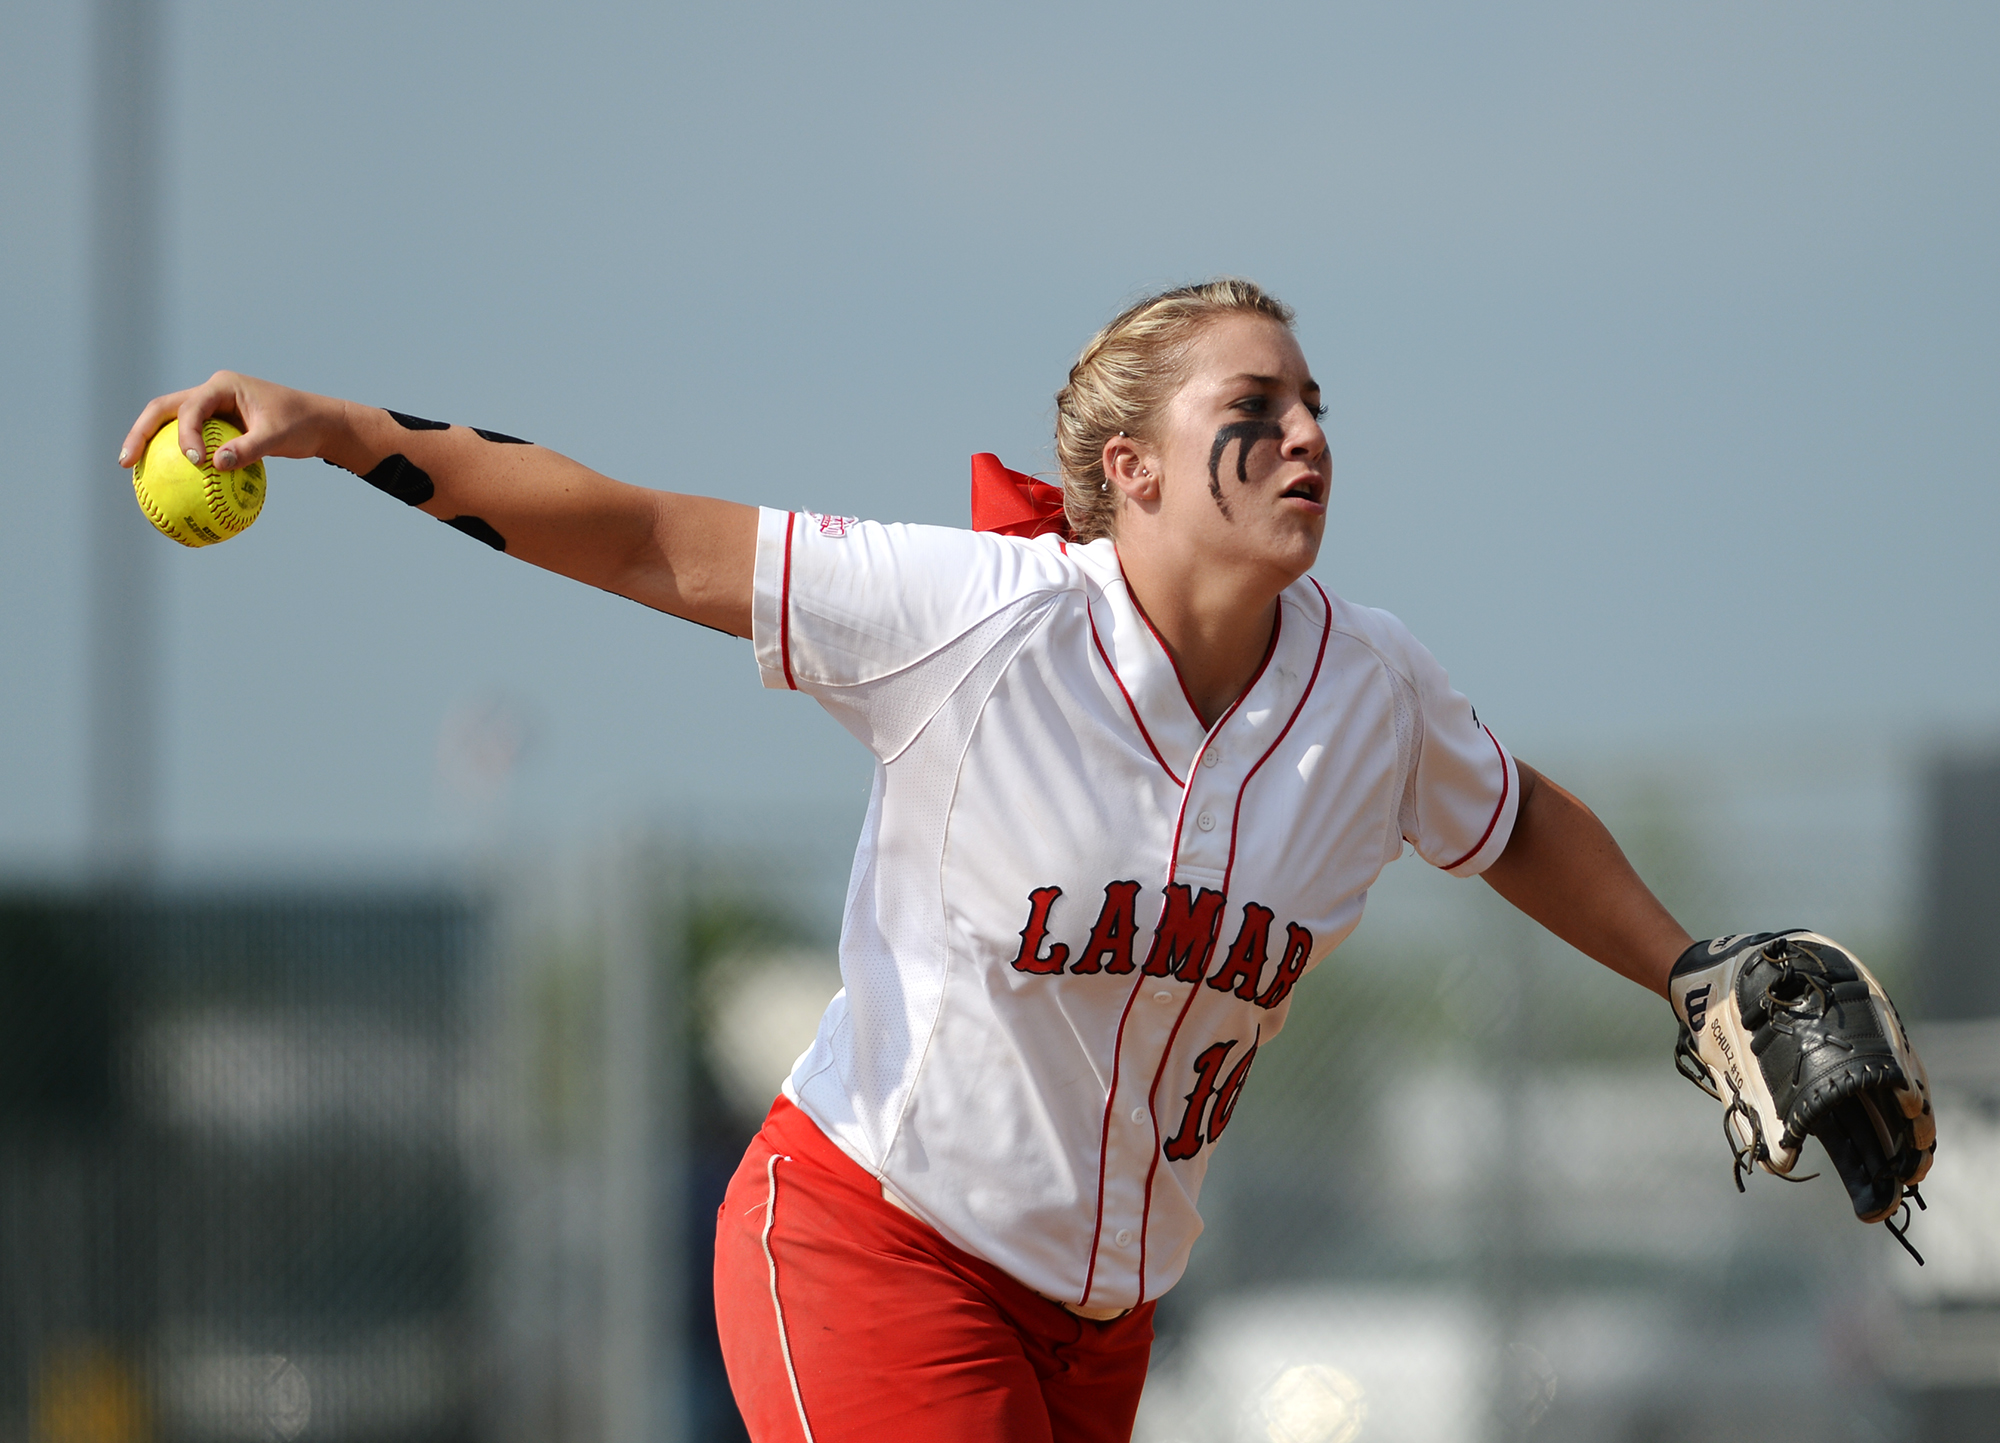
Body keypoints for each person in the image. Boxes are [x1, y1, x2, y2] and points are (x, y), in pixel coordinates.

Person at [112, 280, 1808, 1441]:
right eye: (1258, 405)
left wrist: (1691, 968)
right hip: (875, 1239)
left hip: (1104, 1322)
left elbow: (1515, 822)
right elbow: (638, 532)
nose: (1309, 436)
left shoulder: (1370, 689)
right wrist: (341, 428)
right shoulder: (970, 624)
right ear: (1129, 470)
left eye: (1315, 405)